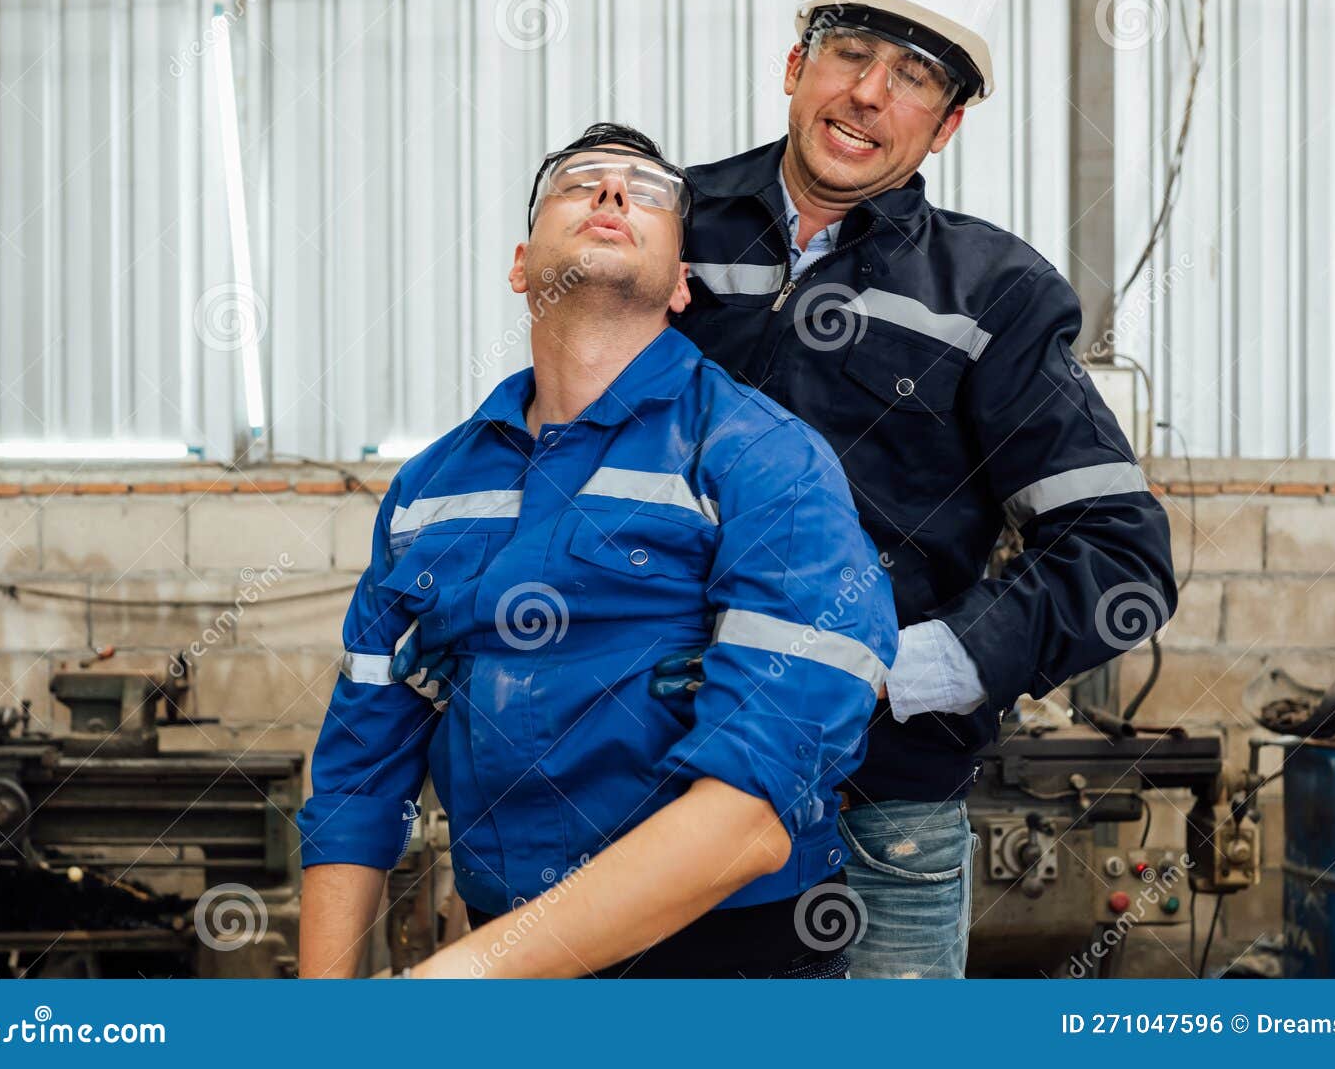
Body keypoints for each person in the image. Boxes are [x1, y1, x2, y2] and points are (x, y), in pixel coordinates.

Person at [664, 0, 1177, 978]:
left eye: (911, 79)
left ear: (943, 127)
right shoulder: (663, 225)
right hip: (639, 777)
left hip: (874, 809)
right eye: (850, 55)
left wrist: (906, 668)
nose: (867, 95)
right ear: (795, 65)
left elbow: (1120, 553)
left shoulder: (994, 295)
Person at [296, 122, 897, 979]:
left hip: (731, 969)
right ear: (519, 266)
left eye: (648, 192)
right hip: (500, 953)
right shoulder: (428, 491)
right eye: (580, 183)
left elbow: (754, 815)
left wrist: (462, 977)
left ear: (681, 283)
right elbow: (360, 774)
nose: (614, 194)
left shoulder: (763, 459)